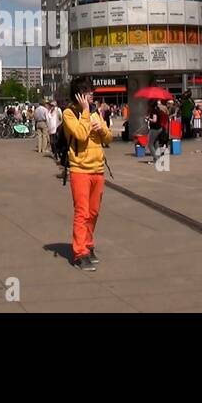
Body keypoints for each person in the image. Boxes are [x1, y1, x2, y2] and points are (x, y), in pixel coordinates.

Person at [62, 76, 112, 272]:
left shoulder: (95, 112)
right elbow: (80, 135)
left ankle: (88, 244)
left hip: (97, 169)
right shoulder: (69, 113)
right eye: (89, 92)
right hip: (80, 169)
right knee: (82, 212)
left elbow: (109, 137)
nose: (92, 95)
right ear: (80, 94)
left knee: (93, 212)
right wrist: (84, 112)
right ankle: (80, 252)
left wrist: (101, 130)